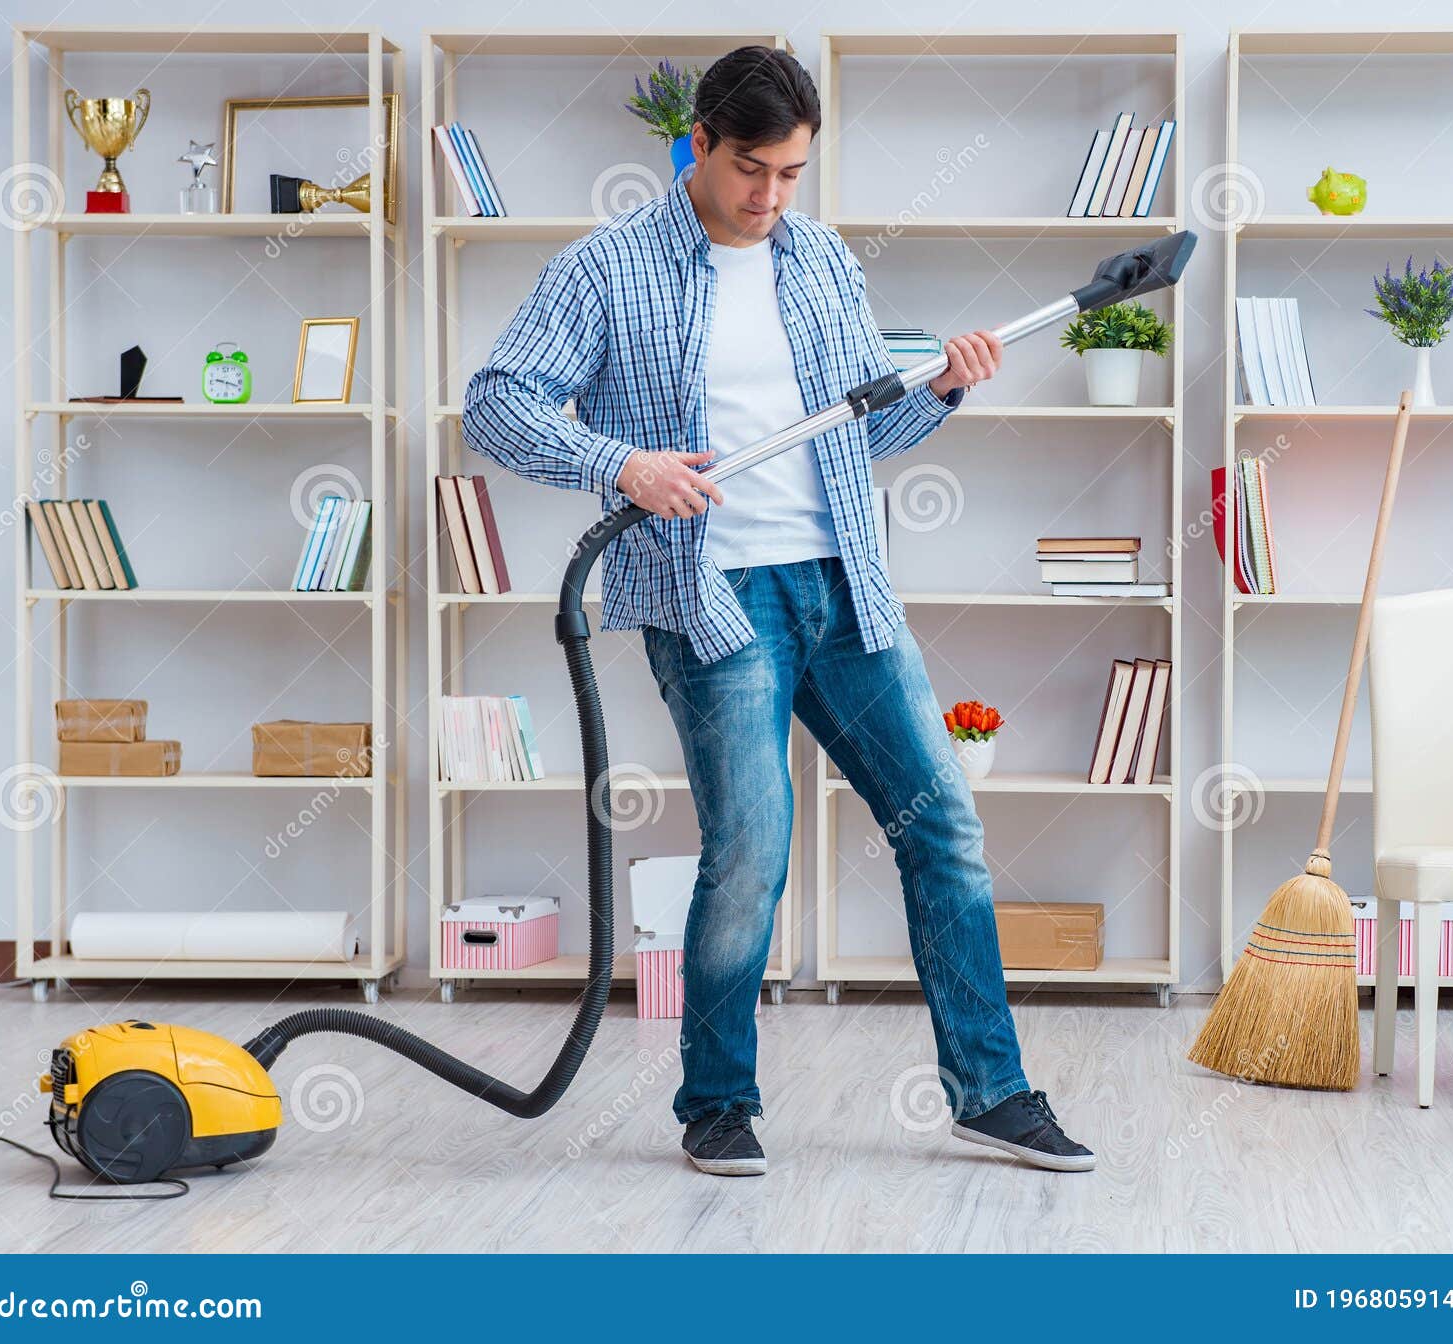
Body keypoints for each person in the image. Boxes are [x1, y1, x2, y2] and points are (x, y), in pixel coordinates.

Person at [461, 45, 1094, 1178]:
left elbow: (857, 436)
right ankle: (717, 1105)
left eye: (793, 172)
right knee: (750, 851)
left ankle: (990, 1093)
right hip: (712, 598)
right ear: (697, 144)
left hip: (843, 584)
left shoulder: (820, 262)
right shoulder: (607, 267)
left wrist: (941, 389)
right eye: (752, 168)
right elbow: (496, 406)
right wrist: (622, 466)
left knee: (942, 826)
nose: (770, 196)